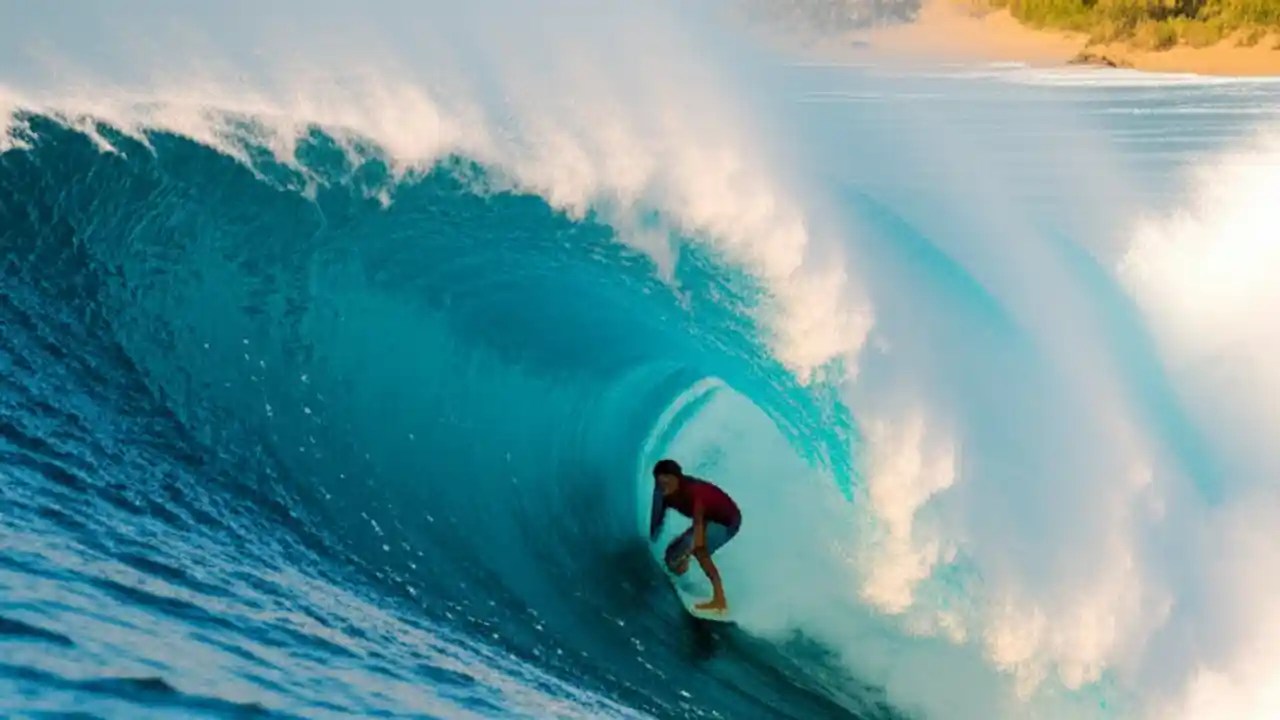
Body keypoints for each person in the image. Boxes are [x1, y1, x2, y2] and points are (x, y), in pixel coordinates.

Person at [649, 458, 741, 612]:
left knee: (700, 550)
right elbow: (656, 522)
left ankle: (719, 600)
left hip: (727, 521)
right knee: (671, 555)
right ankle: (685, 582)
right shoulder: (663, 493)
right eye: (660, 484)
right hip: (709, 517)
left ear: (677, 479)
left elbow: (699, 526)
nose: (663, 488)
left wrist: (691, 550)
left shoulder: (695, 493)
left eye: (667, 484)